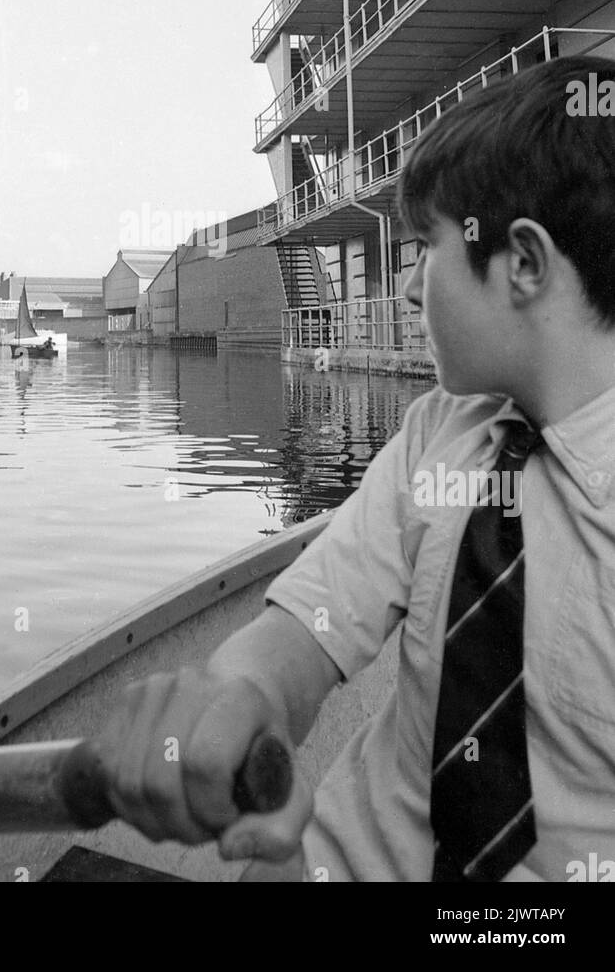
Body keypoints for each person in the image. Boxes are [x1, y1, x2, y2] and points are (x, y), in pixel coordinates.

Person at [90, 54, 615, 881]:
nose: (406, 289)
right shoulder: (439, 433)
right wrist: (242, 701)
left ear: (522, 263)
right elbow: (305, 633)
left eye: (424, 250)